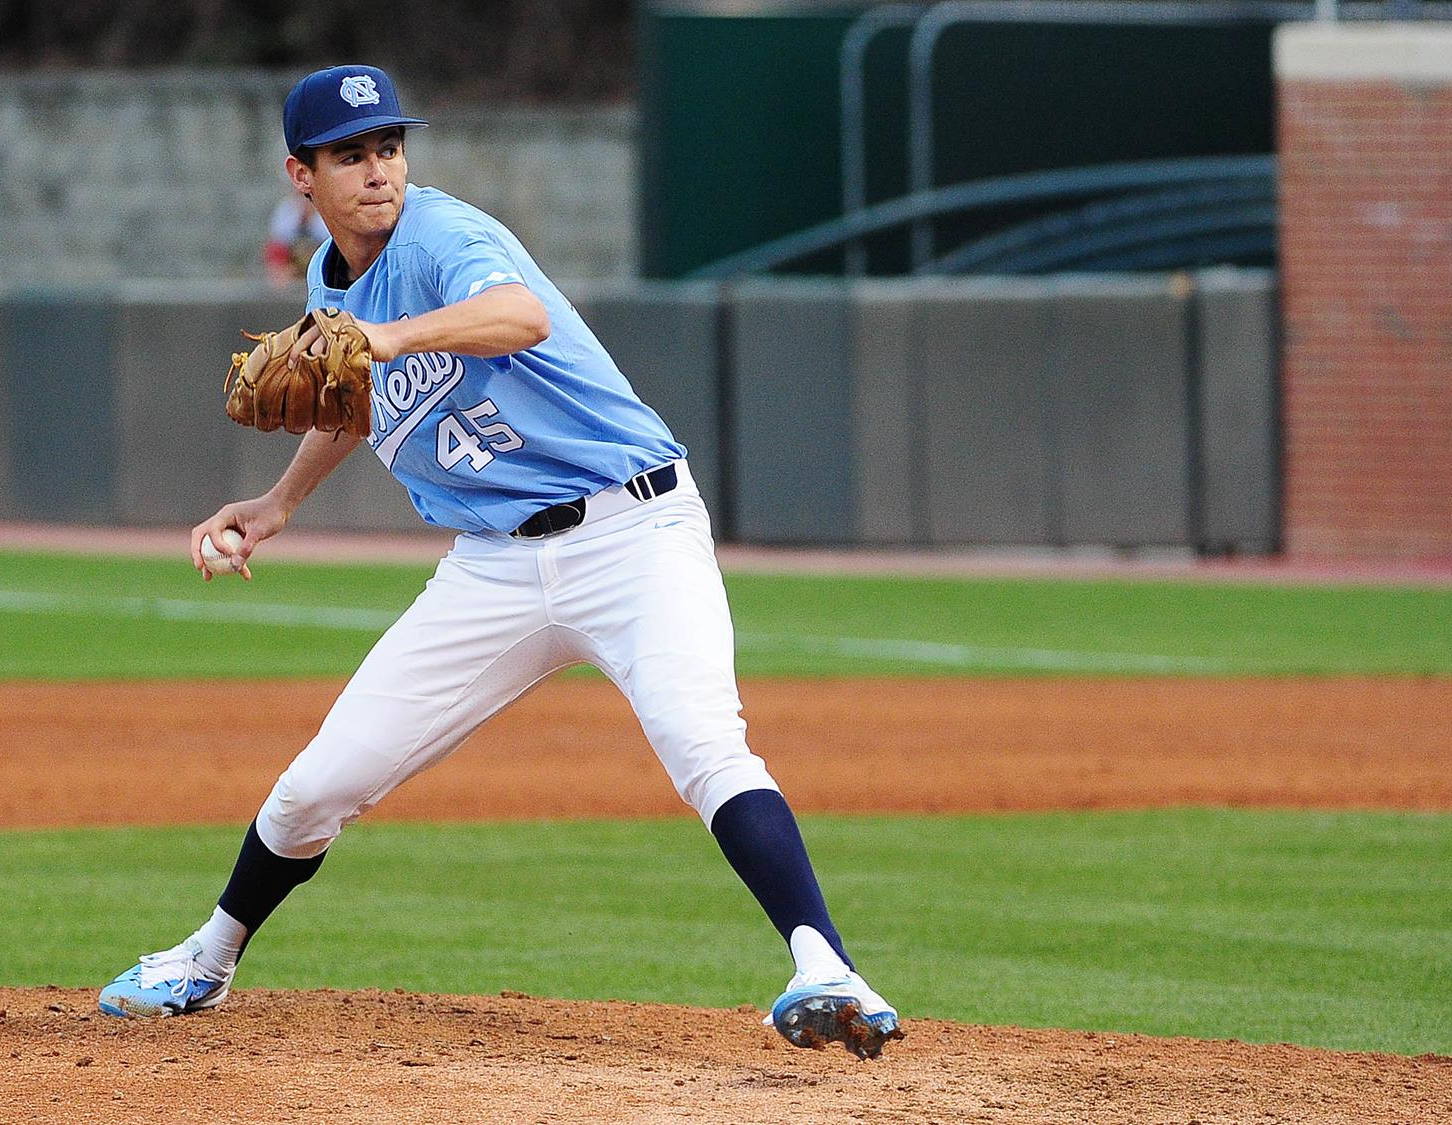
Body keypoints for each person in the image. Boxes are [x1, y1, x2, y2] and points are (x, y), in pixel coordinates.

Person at [97, 65, 903, 1061]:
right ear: (299, 175)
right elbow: (356, 403)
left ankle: (823, 964)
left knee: (705, 745)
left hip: (630, 534)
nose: (377, 169)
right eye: (348, 155)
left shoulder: (441, 236)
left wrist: (382, 338)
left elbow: (517, 315)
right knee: (317, 786)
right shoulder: (329, 285)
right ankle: (207, 958)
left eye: (387, 146)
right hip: (492, 570)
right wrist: (275, 505)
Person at [263, 191, 329, 289]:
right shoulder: (287, 206)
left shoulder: (326, 207)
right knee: (275, 249)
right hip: (293, 253)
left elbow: (328, 235)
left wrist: (311, 219)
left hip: (317, 249)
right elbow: (279, 234)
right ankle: (280, 284)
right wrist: (301, 219)